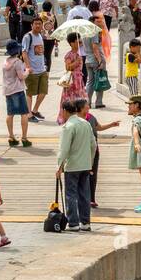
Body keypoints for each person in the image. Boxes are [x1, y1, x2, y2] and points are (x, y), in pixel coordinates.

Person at [56, 98, 95, 232]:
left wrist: (59, 165)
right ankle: (85, 222)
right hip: (85, 164)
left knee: (71, 194)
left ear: (65, 111)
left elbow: (64, 149)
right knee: (84, 194)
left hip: (72, 166)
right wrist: (90, 161)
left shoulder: (68, 127)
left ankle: (73, 222)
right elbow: (93, 145)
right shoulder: (86, 124)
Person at [85, 109, 119, 209]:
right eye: (86, 105)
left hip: (94, 150)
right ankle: (82, 198)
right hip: (81, 151)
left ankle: (91, 199)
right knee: (82, 174)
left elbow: (98, 127)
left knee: (93, 175)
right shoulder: (77, 119)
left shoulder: (91, 117)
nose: (88, 107)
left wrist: (111, 125)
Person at [2, 39, 31, 147]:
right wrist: (27, 70)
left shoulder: (5, 61)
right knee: (24, 113)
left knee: (10, 114)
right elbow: (21, 76)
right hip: (17, 90)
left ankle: (11, 136)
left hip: (8, 90)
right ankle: (24, 138)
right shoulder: (17, 62)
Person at [21, 18, 48, 122]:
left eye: (40, 24)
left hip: (42, 69)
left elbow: (41, 52)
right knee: (30, 93)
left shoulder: (40, 36)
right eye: (36, 24)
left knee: (43, 92)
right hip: (32, 70)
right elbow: (24, 52)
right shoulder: (28, 37)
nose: (38, 26)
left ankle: (35, 110)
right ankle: (28, 115)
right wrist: (28, 67)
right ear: (31, 25)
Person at [57, 33, 86, 125]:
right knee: (71, 100)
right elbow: (68, 67)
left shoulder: (79, 54)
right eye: (78, 41)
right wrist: (76, 62)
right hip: (72, 82)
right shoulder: (69, 55)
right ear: (72, 43)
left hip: (79, 81)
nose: (80, 43)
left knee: (80, 100)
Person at [86, 1, 110, 109]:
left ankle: (88, 101)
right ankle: (98, 102)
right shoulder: (94, 31)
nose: (99, 23)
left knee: (90, 82)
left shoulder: (85, 32)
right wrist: (100, 60)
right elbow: (95, 47)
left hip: (88, 60)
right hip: (96, 60)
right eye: (97, 21)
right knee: (100, 80)